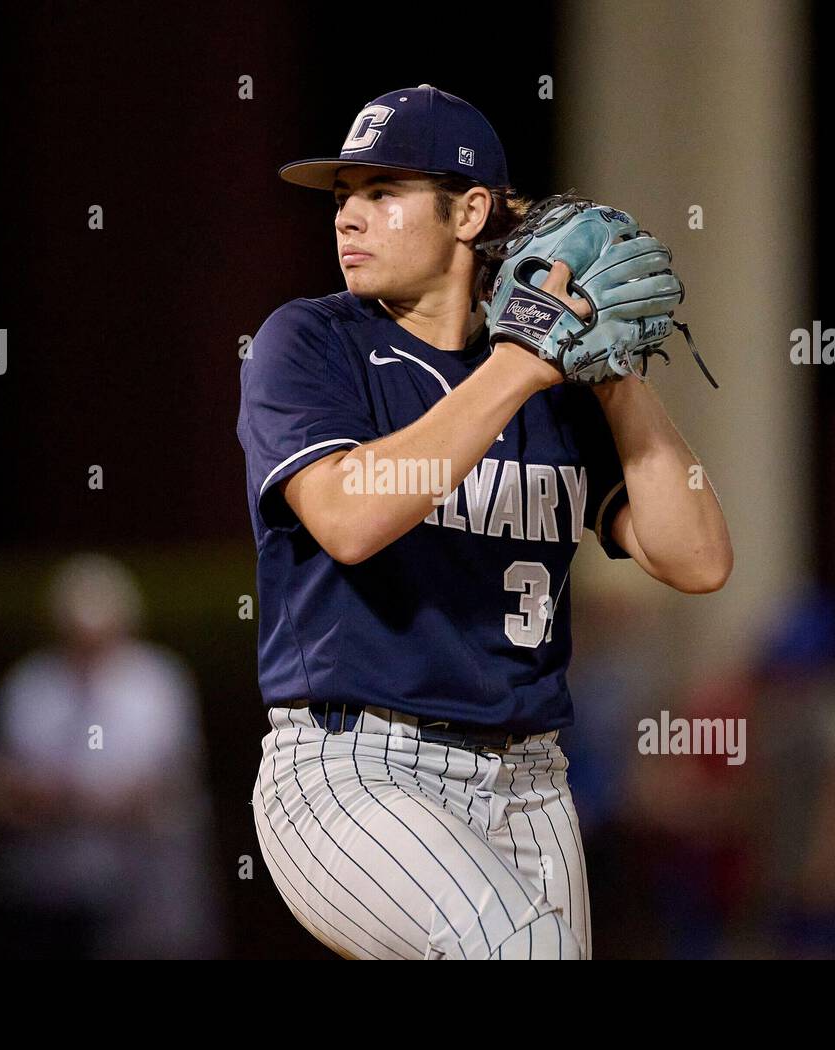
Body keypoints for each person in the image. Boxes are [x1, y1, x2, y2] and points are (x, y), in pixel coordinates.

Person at [237, 86, 732, 960]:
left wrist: (613, 369)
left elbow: (697, 560)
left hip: (530, 781)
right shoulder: (311, 342)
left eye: (383, 191)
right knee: (515, 949)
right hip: (353, 767)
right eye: (344, 194)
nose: (348, 216)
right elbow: (349, 519)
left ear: (468, 210)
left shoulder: (555, 383)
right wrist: (522, 362)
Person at [0, 554, 222, 958]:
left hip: (148, 895)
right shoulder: (31, 685)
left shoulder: (157, 682)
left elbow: (152, 788)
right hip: (53, 893)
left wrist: (61, 798)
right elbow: (3, 785)